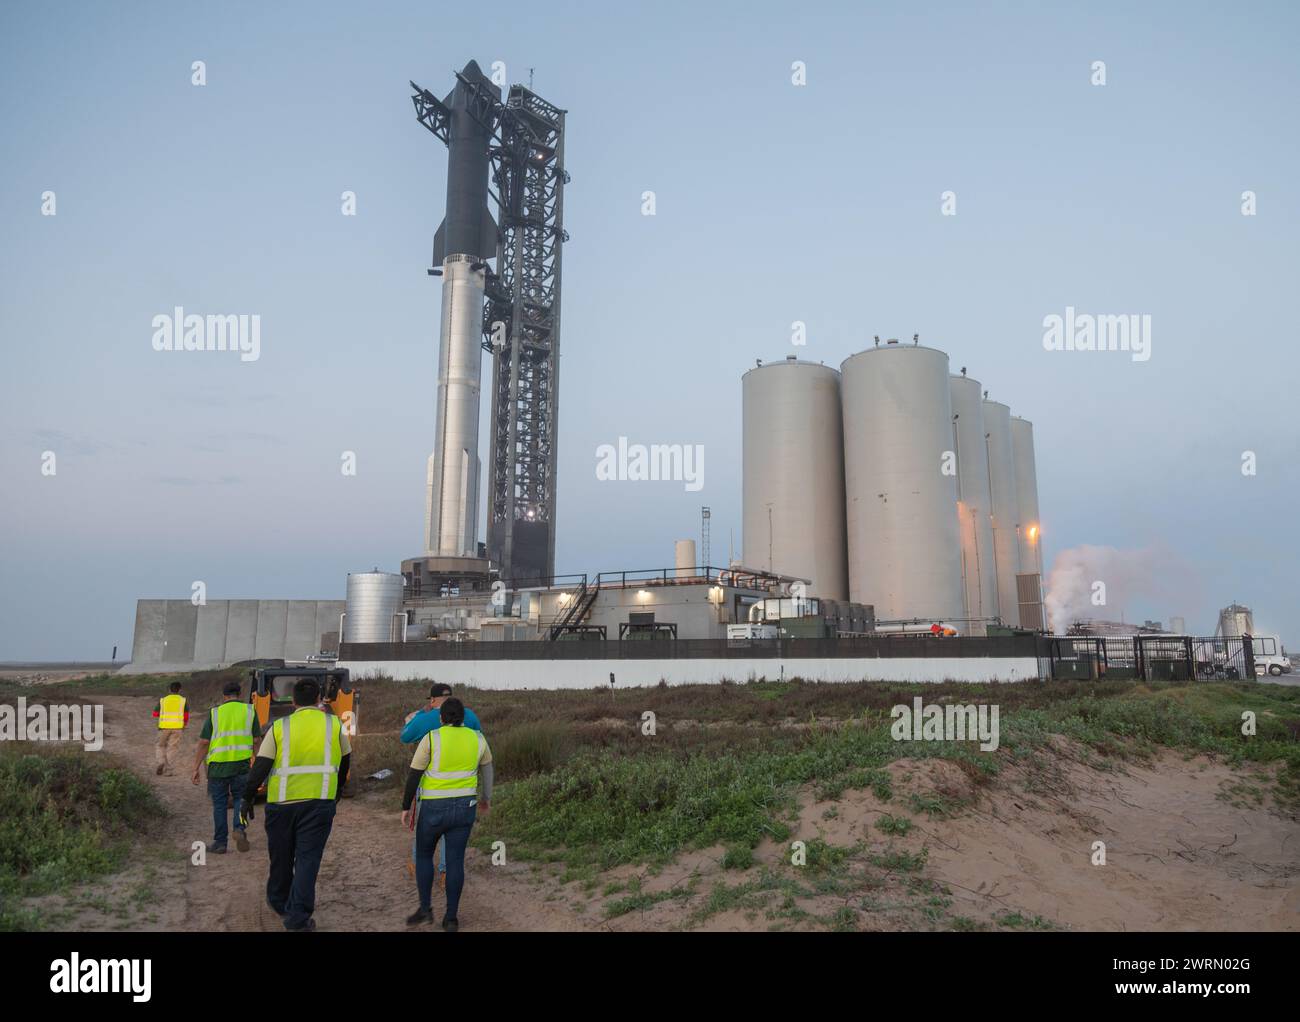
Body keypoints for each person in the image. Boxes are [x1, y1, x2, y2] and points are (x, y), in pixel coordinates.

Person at [241, 678, 350, 932]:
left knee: (281, 856)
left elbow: (261, 766)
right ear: (319, 699)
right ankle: (297, 918)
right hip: (319, 802)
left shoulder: (279, 727)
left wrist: (247, 797)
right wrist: (338, 790)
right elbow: (346, 759)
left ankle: (280, 901)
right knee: (307, 860)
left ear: (292, 702)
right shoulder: (334, 724)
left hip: (281, 804)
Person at [401, 697, 492, 932]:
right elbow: (488, 769)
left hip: (433, 808)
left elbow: (414, 775)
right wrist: (486, 798)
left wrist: (405, 806)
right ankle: (451, 918)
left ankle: (425, 909)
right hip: (465, 809)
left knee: (423, 855)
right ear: (463, 717)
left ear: (441, 718)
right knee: (455, 861)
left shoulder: (432, 738)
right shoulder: (477, 738)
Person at [400, 683, 482, 888]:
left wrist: (419, 713)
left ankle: (419, 867)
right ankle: (446, 872)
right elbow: (478, 738)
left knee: (424, 828)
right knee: (452, 833)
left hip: (432, 786)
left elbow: (405, 736)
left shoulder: (425, 719)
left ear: (433, 700)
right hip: (464, 786)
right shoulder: (470, 715)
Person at [191, 680, 260, 854]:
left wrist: (195, 767)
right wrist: (258, 761)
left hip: (217, 767)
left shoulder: (215, 713)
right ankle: (239, 829)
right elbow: (256, 739)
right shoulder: (250, 711)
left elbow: (204, 742)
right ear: (240, 694)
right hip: (242, 766)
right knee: (239, 800)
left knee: (220, 804)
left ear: (224, 696)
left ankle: (220, 843)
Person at [153, 680, 189, 776]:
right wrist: (184, 725)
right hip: (177, 728)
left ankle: (161, 761)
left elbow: (155, 714)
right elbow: (186, 716)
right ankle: (168, 770)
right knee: (172, 748)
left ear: (169, 689)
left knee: (160, 746)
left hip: (163, 727)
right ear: (180, 690)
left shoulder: (163, 700)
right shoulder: (183, 701)